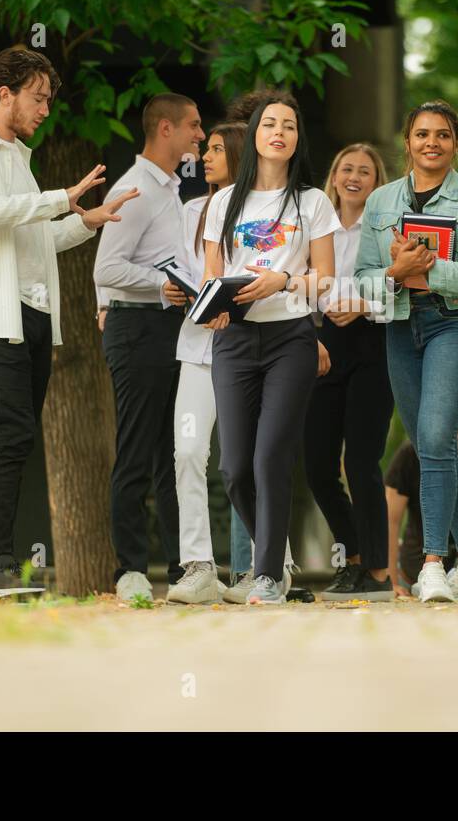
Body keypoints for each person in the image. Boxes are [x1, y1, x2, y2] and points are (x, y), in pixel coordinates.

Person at [0, 46, 136, 600]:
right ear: (6, 93)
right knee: (9, 430)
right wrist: (59, 198)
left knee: (15, 437)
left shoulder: (18, 157)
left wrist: (83, 221)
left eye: (49, 100)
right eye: (38, 98)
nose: (46, 110)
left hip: (31, 314)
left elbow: (31, 236)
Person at [354, 100, 458, 603]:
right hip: (400, 325)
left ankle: (434, 564)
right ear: (408, 142)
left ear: (455, 144)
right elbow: (361, 280)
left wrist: (428, 271)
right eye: (422, 134)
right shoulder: (380, 203)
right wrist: (395, 275)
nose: (431, 143)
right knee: (429, 447)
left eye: (442, 135)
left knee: (439, 434)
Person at [203, 92, 339, 605]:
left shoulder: (313, 203)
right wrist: (211, 305)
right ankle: (272, 554)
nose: (279, 132)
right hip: (234, 340)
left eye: (290, 125)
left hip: (291, 339)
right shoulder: (222, 203)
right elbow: (211, 276)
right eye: (270, 124)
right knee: (234, 467)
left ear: (297, 139)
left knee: (270, 457)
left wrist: (283, 280)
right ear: (255, 135)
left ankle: (264, 575)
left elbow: (324, 282)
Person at [94, 94, 206, 601]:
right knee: (139, 450)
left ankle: (183, 569)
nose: (200, 137)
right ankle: (130, 572)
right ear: (166, 129)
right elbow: (107, 269)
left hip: (167, 329)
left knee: (171, 452)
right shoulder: (136, 188)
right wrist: (161, 286)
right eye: (194, 127)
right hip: (138, 329)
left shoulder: (169, 190)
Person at [160, 120, 255, 604]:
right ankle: (198, 567)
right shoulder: (191, 209)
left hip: (252, 351)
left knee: (249, 461)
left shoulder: (264, 209)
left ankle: (266, 567)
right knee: (189, 452)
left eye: (216, 149)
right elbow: (174, 271)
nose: (205, 157)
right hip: (197, 350)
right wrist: (172, 290)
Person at [305, 144, 397, 601]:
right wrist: (311, 337)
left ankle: (378, 574)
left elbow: (405, 290)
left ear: (377, 183)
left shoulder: (385, 229)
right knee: (317, 464)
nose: (354, 176)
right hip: (321, 344)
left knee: (361, 461)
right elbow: (296, 284)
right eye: (347, 168)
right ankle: (354, 558)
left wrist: (364, 304)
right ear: (334, 176)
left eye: (365, 171)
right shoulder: (312, 225)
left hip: (373, 343)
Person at [385, 405, 458, 596]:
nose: (456, 435)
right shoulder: (408, 456)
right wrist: (391, 582)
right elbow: (390, 520)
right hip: (413, 572)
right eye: (449, 428)